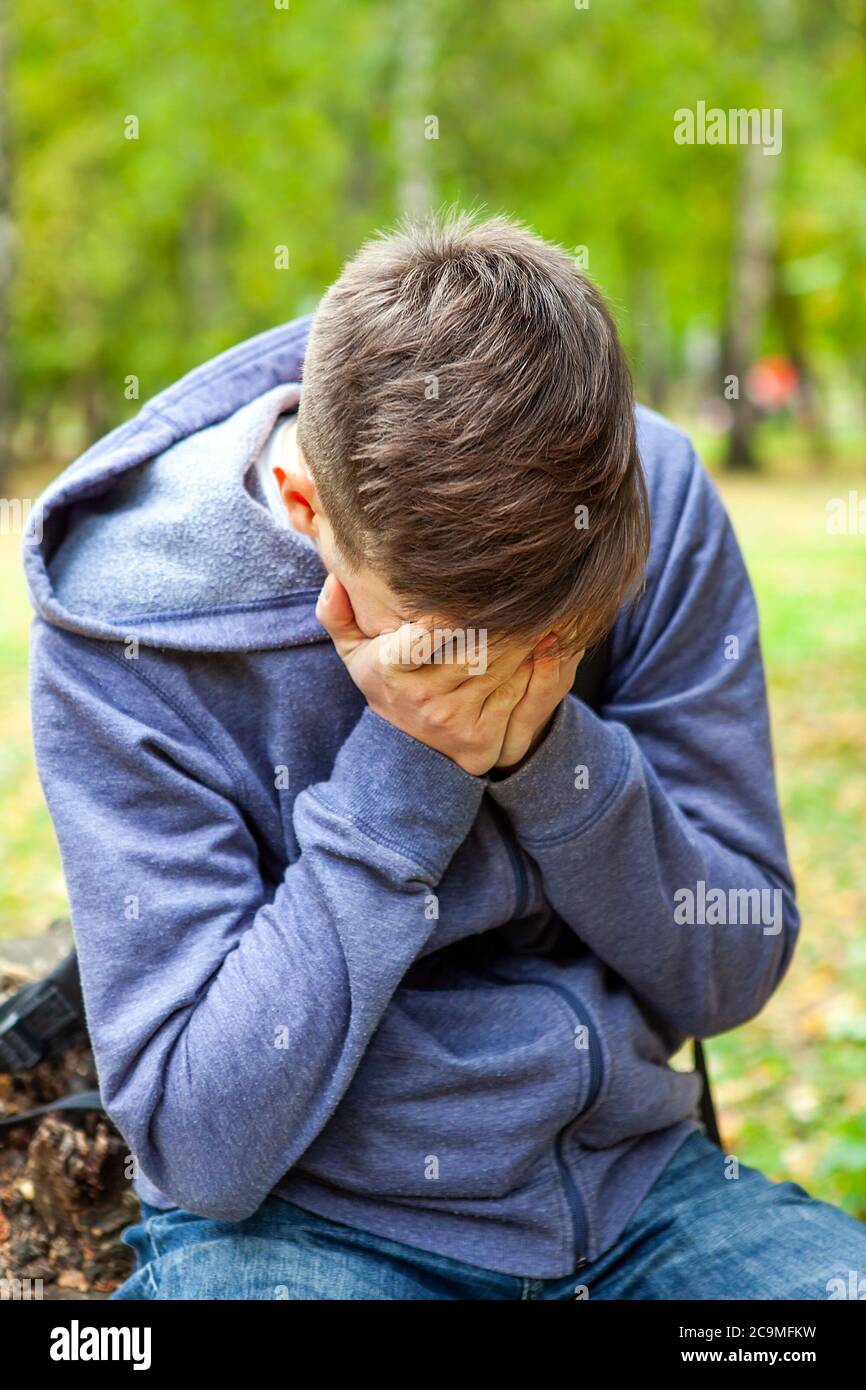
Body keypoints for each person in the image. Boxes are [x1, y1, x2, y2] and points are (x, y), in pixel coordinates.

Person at [25, 212, 866, 1300]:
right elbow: (200, 1142)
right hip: (301, 1232)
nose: (520, 672)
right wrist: (413, 759)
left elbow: (732, 959)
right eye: (456, 650)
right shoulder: (127, 623)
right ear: (303, 509)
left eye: (560, 640)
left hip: (633, 1194)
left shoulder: (650, 489)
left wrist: (548, 755)